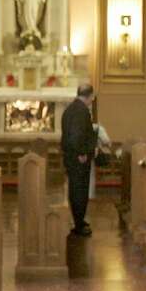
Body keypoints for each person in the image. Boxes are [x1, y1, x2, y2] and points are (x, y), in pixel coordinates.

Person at [61, 84, 98, 236]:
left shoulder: (70, 109)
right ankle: (79, 224)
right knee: (79, 190)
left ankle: (79, 220)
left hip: (71, 157)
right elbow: (76, 136)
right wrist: (82, 153)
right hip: (78, 159)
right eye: (92, 97)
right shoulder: (81, 111)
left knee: (76, 189)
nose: (92, 100)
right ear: (89, 96)